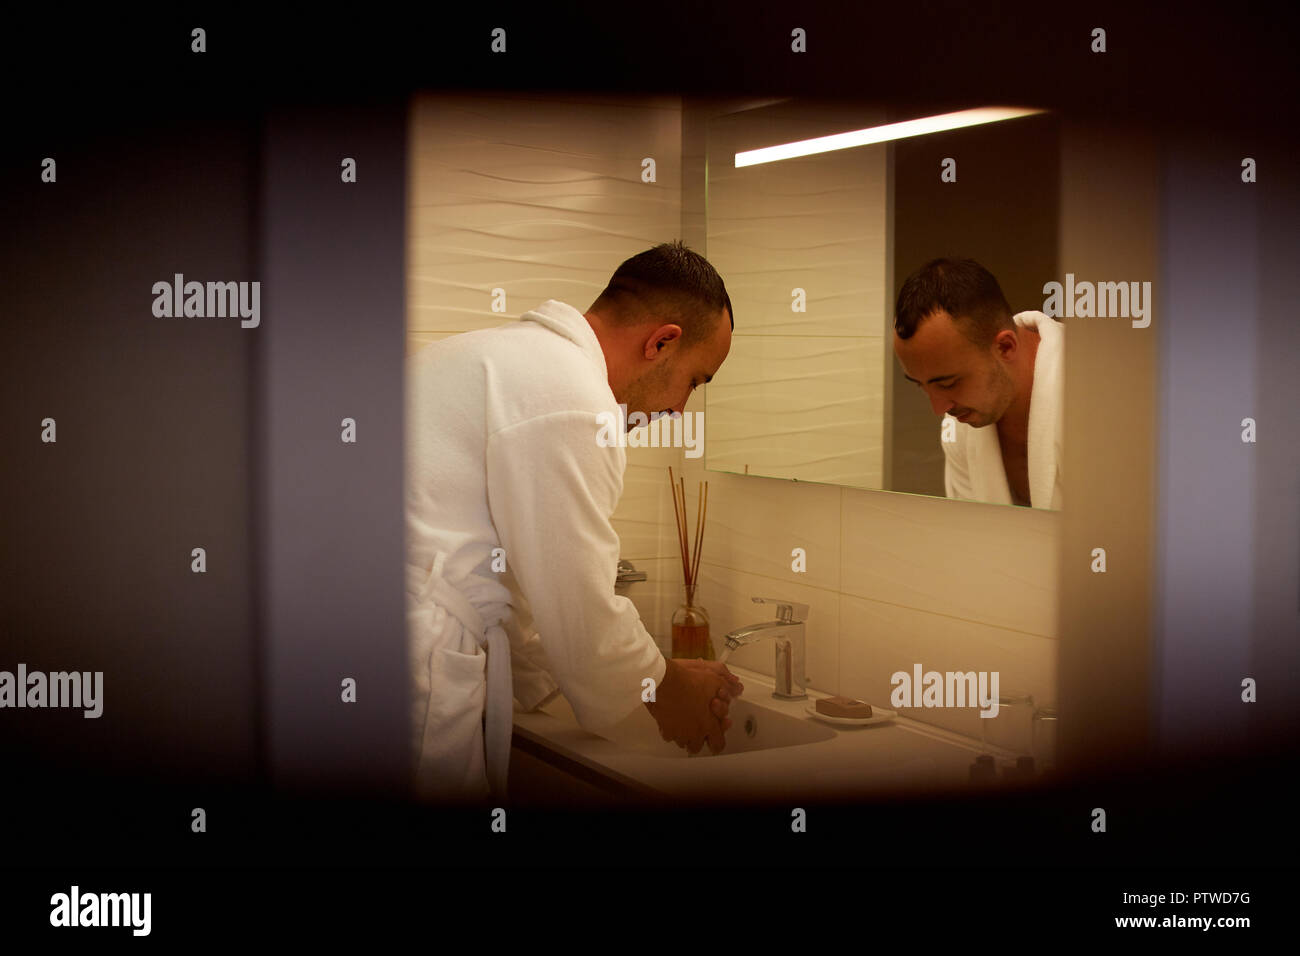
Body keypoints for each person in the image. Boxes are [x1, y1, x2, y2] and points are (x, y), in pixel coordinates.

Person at [406, 240, 742, 803]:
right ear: (662, 342)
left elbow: (525, 587)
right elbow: (578, 602)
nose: (680, 411)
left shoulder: (496, 358)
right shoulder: (574, 403)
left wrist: (551, 682)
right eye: (694, 381)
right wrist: (664, 687)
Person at [892, 258, 1064, 509]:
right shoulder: (962, 422)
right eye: (921, 386)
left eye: (949, 383)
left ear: (1005, 347)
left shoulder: (1101, 391)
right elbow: (974, 534)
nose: (939, 409)